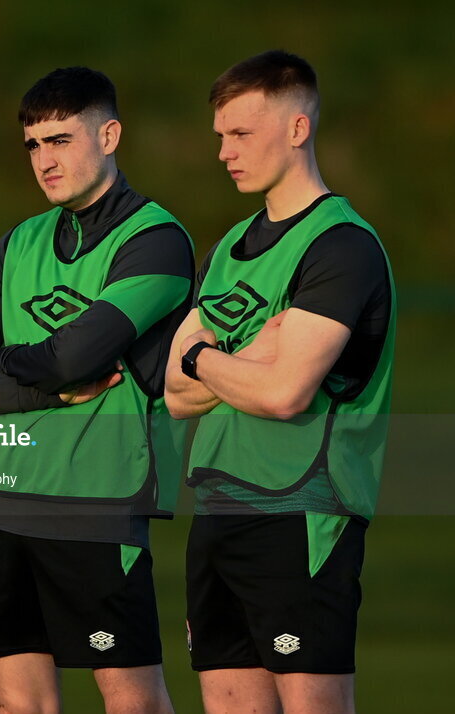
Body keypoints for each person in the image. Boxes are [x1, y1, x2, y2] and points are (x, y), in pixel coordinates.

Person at [0, 67, 193, 714]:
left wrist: (6, 359)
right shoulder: (17, 243)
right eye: (33, 145)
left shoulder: (157, 241)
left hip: (98, 498)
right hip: (0, 498)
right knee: (20, 705)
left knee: (130, 699)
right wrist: (38, 395)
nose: (45, 161)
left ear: (108, 135)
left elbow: (75, 354)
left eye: (61, 140)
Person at [165, 50, 395, 714]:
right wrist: (245, 358)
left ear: (297, 129)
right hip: (216, 517)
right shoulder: (229, 247)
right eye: (220, 137)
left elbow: (284, 393)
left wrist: (204, 358)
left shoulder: (340, 247)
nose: (224, 152)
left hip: (301, 512)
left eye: (241, 133)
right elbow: (174, 399)